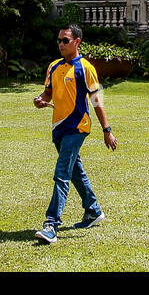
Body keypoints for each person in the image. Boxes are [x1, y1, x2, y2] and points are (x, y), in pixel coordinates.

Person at [32, 24, 116, 244]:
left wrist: (107, 130)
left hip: (77, 127)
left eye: (65, 40)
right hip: (58, 128)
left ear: (77, 42)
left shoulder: (85, 68)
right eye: (59, 40)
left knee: (62, 173)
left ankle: (51, 224)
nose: (61, 44)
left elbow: (97, 102)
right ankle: (93, 211)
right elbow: (48, 93)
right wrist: (42, 101)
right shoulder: (53, 66)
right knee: (75, 170)